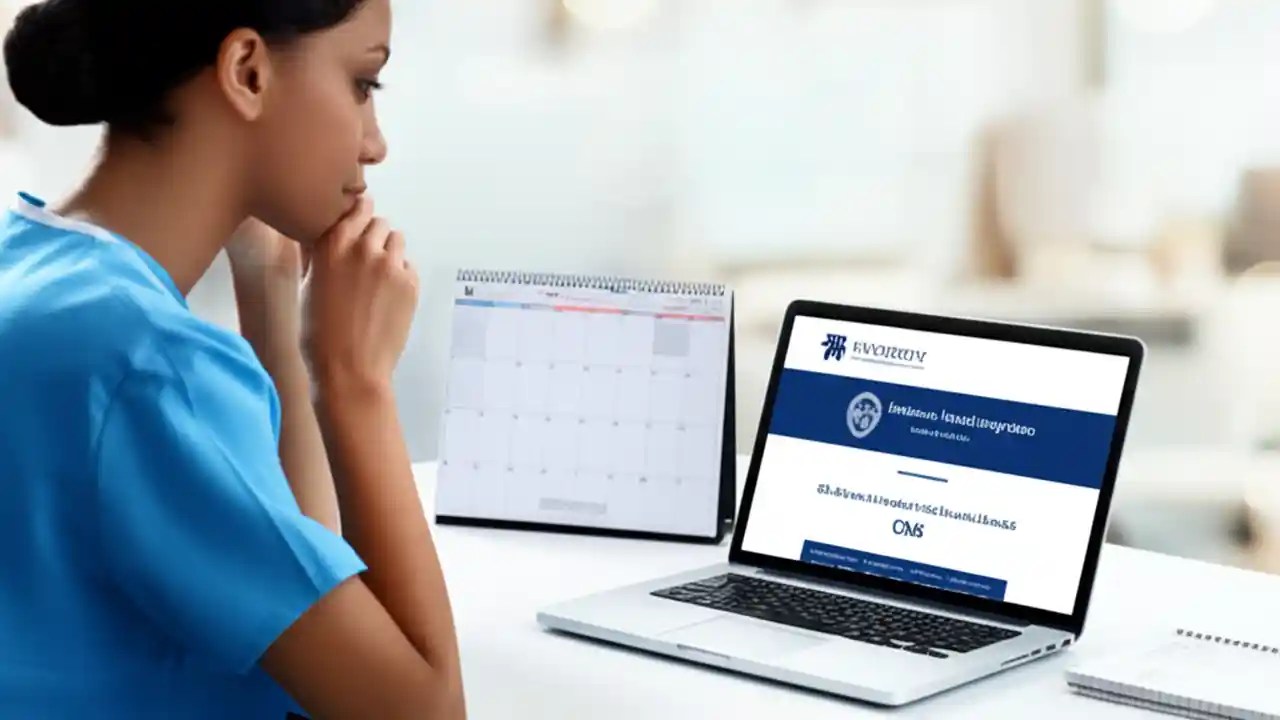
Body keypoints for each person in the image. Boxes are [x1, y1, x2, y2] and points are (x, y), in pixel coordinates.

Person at [0, 1, 464, 718]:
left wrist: (272, 304)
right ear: (247, 71)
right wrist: (355, 382)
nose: (375, 145)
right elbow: (420, 712)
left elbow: (302, 571)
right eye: (363, 84)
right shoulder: (146, 363)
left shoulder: (32, 273)